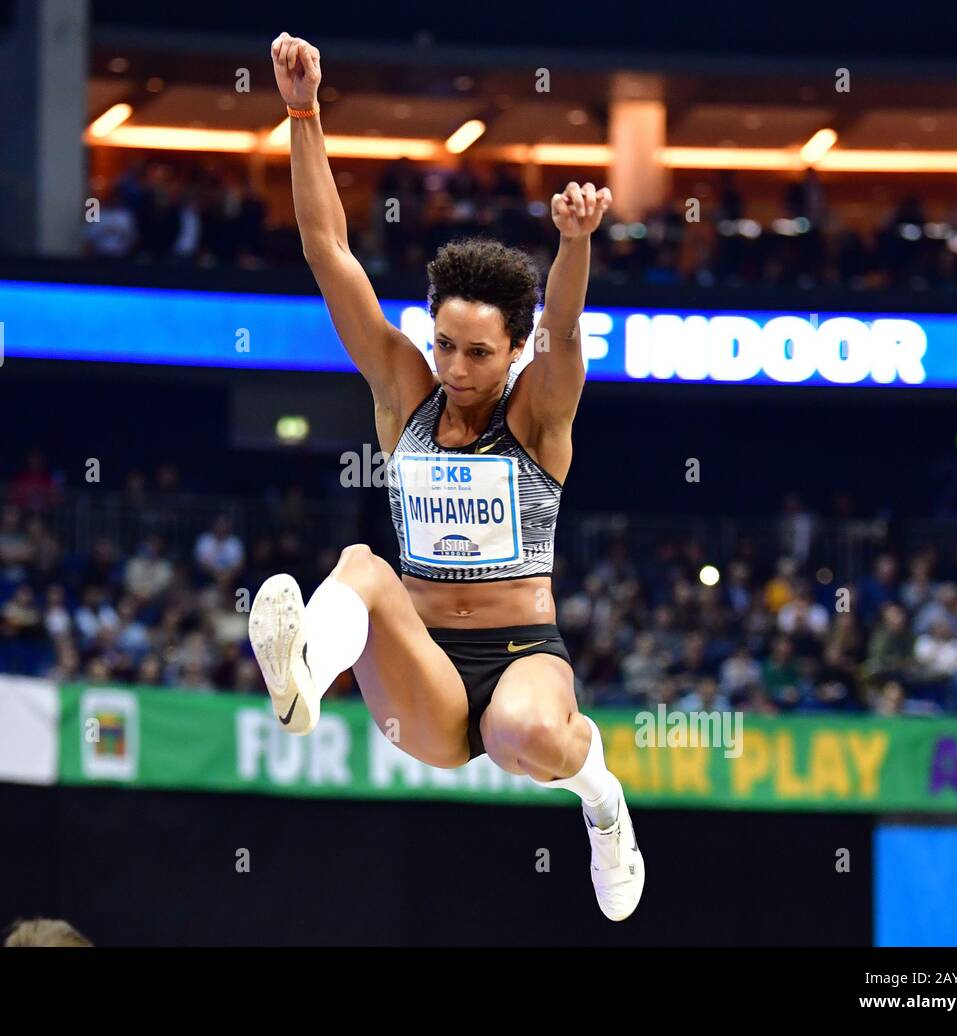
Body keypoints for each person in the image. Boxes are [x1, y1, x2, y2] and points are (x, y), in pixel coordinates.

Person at [246, 33, 643, 923]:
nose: (455, 368)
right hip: (423, 669)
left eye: (477, 353)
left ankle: (603, 804)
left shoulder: (538, 417)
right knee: (361, 562)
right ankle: (305, 674)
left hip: (522, 659)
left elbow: (568, 333)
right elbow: (326, 250)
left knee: (521, 736)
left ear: (511, 350)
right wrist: (304, 114)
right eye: (444, 345)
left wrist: (575, 245)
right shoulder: (403, 394)